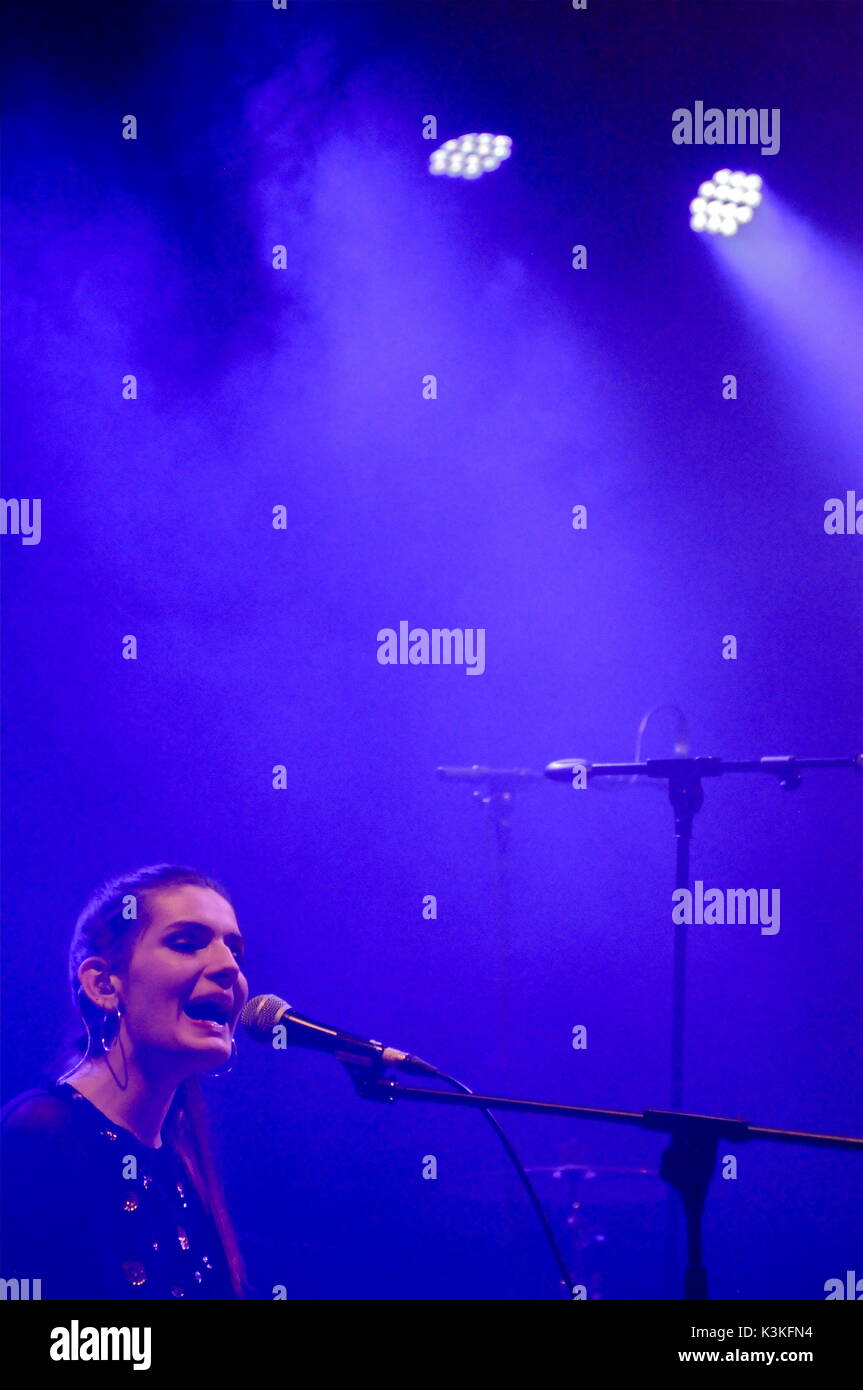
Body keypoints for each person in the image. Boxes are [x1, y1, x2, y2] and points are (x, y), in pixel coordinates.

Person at [1, 865, 250, 1299]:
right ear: (103, 983)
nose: (229, 967)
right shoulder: (41, 1133)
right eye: (187, 942)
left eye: (235, 952)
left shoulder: (181, 1155)